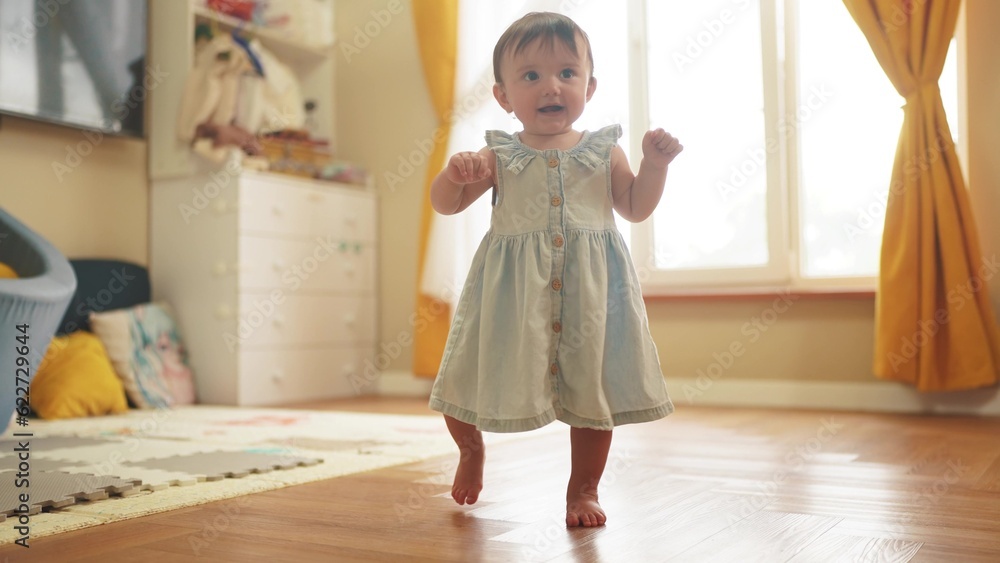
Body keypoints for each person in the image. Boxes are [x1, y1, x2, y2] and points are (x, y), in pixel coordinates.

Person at [427, 12, 683, 528]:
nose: (552, 86)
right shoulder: (500, 153)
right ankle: (471, 447)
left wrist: (653, 167)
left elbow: (634, 207)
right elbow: (446, 206)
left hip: (592, 296)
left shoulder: (602, 150)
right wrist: (454, 177)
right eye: (531, 76)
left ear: (589, 86)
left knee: (592, 390)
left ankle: (583, 489)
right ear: (503, 96)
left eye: (567, 73)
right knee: (463, 375)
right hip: (509, 296)